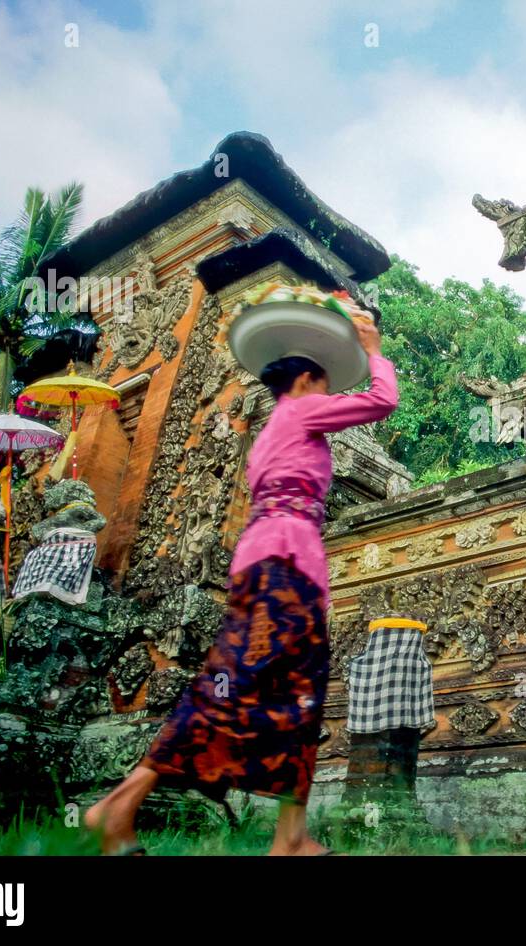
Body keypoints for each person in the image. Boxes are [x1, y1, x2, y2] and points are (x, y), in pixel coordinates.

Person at [87, 313, 397, 855]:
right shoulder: (301, 412)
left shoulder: (271, 431)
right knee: (238, 682)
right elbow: (380, 401)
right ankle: (122, 801)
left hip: (271, 562)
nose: (328, 391)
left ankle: (291, 836)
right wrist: (373, 347)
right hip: (285, 566)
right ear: (303, 381)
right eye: (324, 379)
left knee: (296, 689)